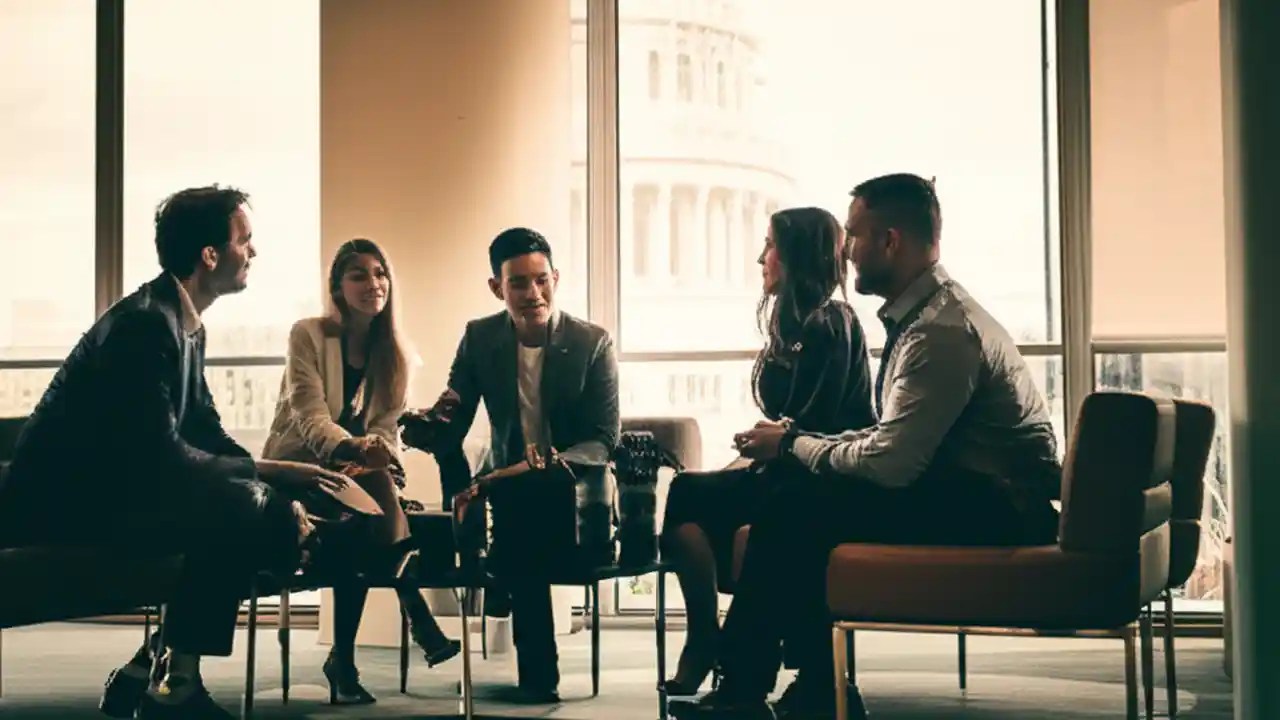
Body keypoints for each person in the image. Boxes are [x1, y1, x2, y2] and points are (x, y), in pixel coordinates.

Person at [678, 174, 1063, 720]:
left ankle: (754, 686)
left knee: (793, 508)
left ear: (890, 241)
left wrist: (793, 445)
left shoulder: (940, 332)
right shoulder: (927, 318)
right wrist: (797, 446)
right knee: (796, 494)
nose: (846, 251)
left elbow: (892, 463)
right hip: (971, 491)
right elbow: (893, 440)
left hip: (998, 508)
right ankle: (810, 685)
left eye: (854, 235)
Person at [0, 186, 339, 720]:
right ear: (210, 255)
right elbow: (156, 454)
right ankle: (169, 680)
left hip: (113, 492)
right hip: (64, 507)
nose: (253, 251)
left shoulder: (179, 322)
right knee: (249, 514)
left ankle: (159, 671)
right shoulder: (144, 325)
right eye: (244, 240)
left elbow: (206, 432)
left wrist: (274, 484)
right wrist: (270, 479)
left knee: (260, 508)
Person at [660, 206, 876, 695]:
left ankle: (722, 651)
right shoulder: (791, 325)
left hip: (818, 476)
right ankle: (704, 637)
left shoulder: (832, 320)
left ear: (797, 254)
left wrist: (770, 442)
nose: (762, 258)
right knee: (686, 493)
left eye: (770, 245)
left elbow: (818, 422)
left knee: (699, 497)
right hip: (787, 466)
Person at [401, 227, 620, 703]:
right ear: (497, 288)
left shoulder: (592, 343)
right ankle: (537, 670)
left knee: (520, 525)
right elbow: (454, 415)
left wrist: (539, 467)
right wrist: (429, 426)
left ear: (555, 279)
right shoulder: (480, 339)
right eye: (518, 283)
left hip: (574, 495)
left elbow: (603, 441)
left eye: (541, 280)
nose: (532, 293)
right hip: (509, 495)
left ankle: (532, 659)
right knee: (519, 519)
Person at [261, 238, 460, 705]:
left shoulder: (397, 354)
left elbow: (386, 430)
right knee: (372, 505)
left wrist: (379, 453)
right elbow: (309, 417)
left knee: (366, 520)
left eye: (380, 273)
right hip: (299, 472)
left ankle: (346, 661)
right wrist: (359, 448)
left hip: (358, 482)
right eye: (358, 275)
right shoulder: (308, 335)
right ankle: (413, 610)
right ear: (337, 288)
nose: (374, 283)